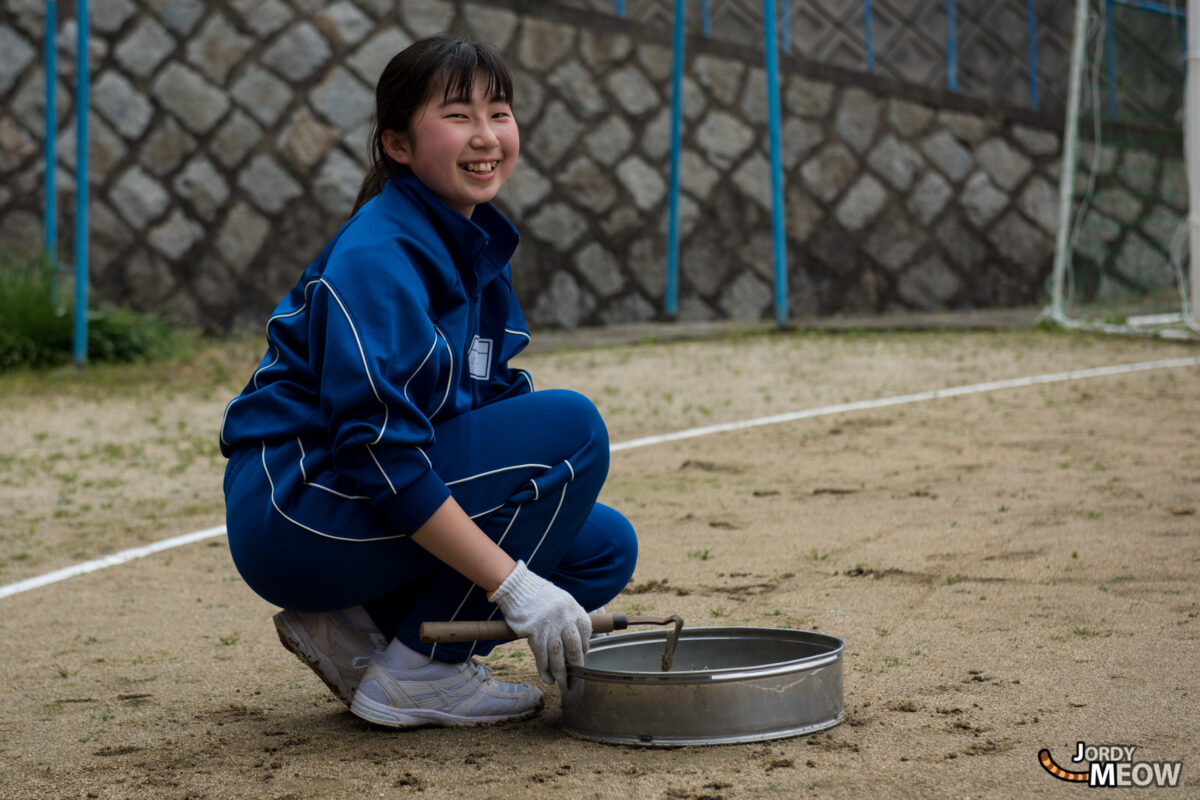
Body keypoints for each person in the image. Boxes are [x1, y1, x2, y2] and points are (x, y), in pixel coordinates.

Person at [219, 34, 638, 729]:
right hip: (301, 511)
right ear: (398, 145)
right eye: (458, 115)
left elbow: (478, 410)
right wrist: (514, 585)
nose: (486, 135)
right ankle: (424, 671)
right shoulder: (379, 252)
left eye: (499, 112)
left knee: (599, 549)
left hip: (357, 503)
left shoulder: (471, 247)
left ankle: (359, 630)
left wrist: (530, 555)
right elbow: (376, 450)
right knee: (574, 430)